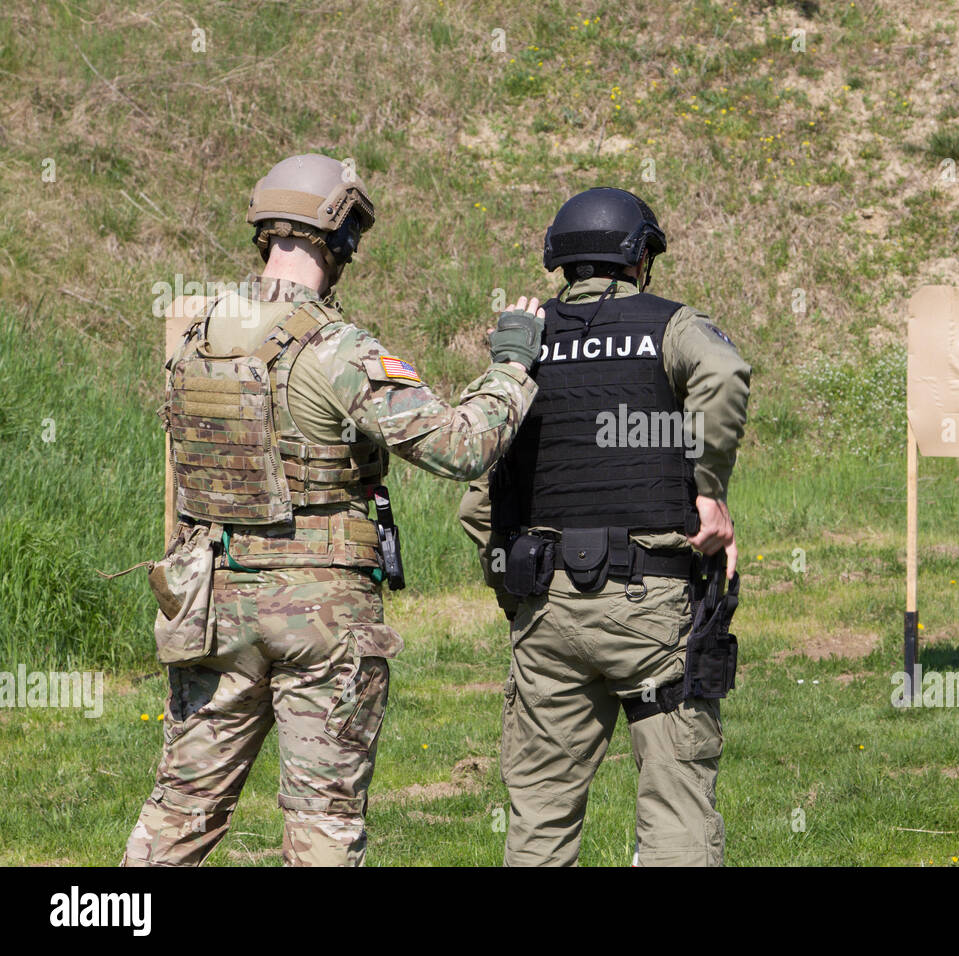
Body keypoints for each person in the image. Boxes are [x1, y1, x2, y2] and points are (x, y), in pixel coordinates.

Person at [123, 153, 544, 866]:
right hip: (320, 614)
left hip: (211, 605)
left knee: (179, 812)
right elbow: (462, 447)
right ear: (340, 236)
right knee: (323, 821)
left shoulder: (196, 337)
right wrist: (510, 364)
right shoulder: (336, 347)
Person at [459, 187, 751, 866]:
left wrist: (518, 592)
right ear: (639, 256)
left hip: (546, 606)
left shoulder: (522, 350)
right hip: (650, 603)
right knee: (676, 801)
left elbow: (477, 503)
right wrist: (709, 493)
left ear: (561, 260)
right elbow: (726, 373)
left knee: (540, 817)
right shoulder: (671, 326)